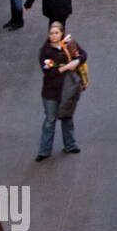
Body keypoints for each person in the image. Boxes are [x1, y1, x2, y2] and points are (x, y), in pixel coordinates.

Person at [36, 21, 84, 160]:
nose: (53, 35)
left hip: (67, 91)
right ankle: (44, 151)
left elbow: (83, 54)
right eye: (51, 33)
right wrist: (66, 67)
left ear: (62, 33)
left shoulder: (69, 44)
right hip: (51, 92)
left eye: (56, 33)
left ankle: (70, 145)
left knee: (67, 117)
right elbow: (48, 72)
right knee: (50, 120)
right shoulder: (45, 51)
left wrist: (77, 61)